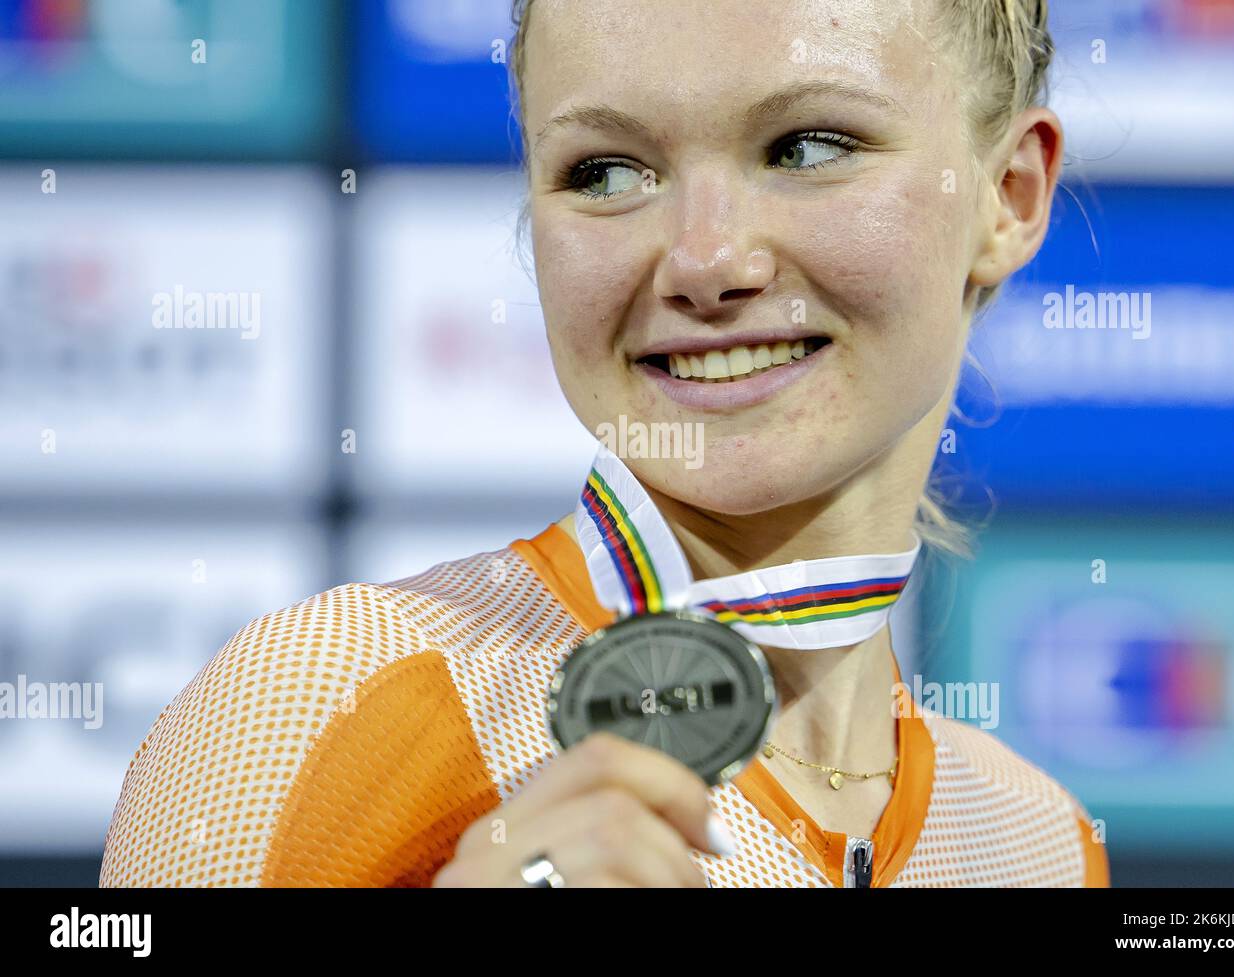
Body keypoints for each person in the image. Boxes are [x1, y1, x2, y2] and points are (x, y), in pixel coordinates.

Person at [99, 0, 1109, 888]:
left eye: (806, 148)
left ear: (1009, 195)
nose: (705, 260)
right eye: (608, 171)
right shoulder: (323, 698)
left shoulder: (1038, 843)